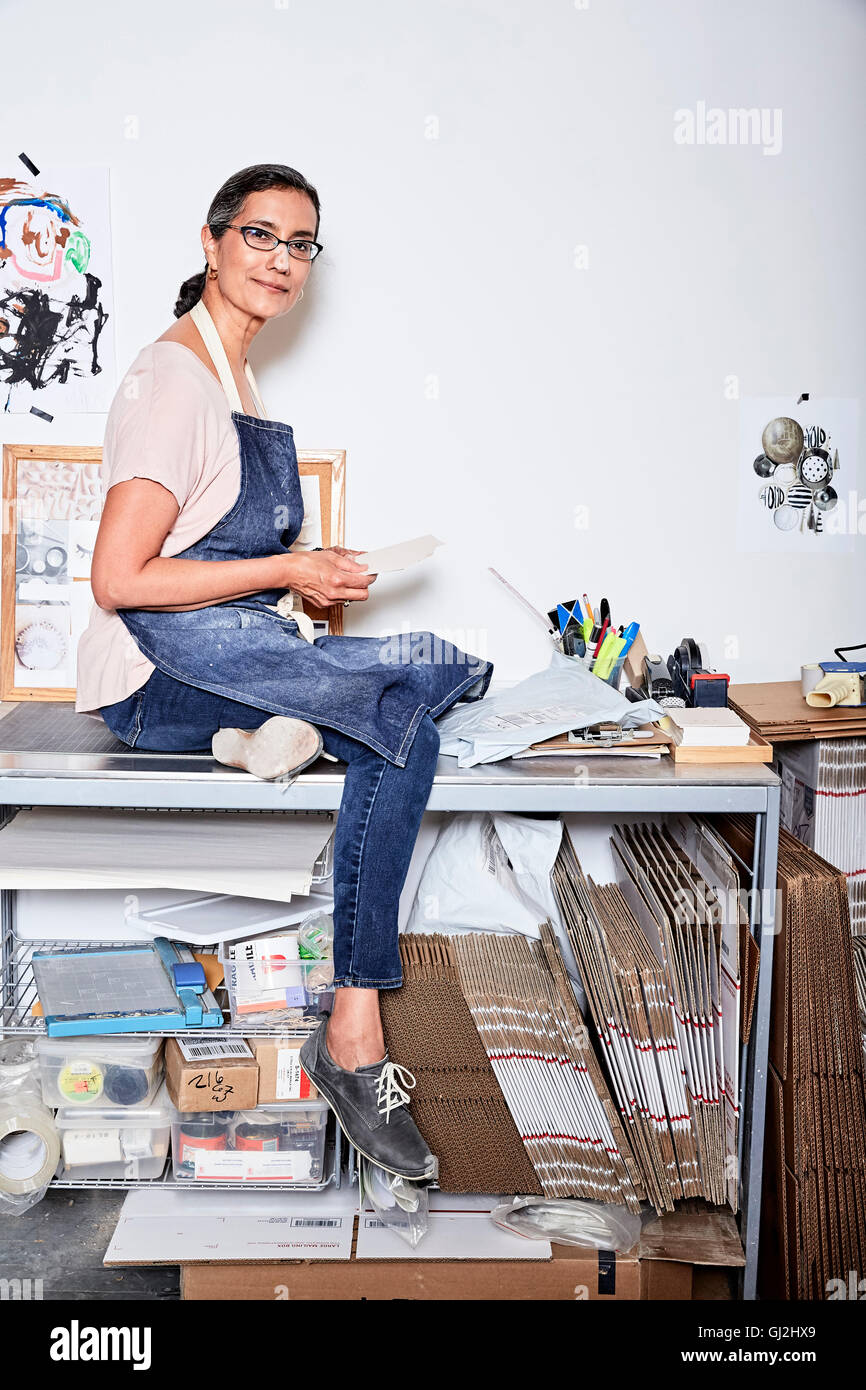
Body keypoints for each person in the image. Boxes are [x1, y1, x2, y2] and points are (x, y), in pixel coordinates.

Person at [75, 163, 493, 1179]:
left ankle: (252, 738)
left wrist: (299, 588)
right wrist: (285, 568)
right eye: (259, 236)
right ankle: (354, 1034)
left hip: (226, 647)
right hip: (149, 673)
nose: (280, 260)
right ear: (212, 242)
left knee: (439, 666)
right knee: (406, 720)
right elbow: (118, 576)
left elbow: (212, 561)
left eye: (299, 244)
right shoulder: (173, 384)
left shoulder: (233, 373)